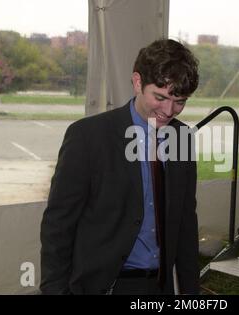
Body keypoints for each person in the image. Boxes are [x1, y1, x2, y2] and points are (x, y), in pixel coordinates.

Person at [40, 39, 200, 295]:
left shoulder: (182, 137)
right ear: (137, 82)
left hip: (158, 288)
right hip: (103, 286)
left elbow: (185, 223)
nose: (169, 111)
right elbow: (58, 224)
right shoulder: (88, 136)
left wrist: (192, 294)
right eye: (160, 97)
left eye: (179, 101)